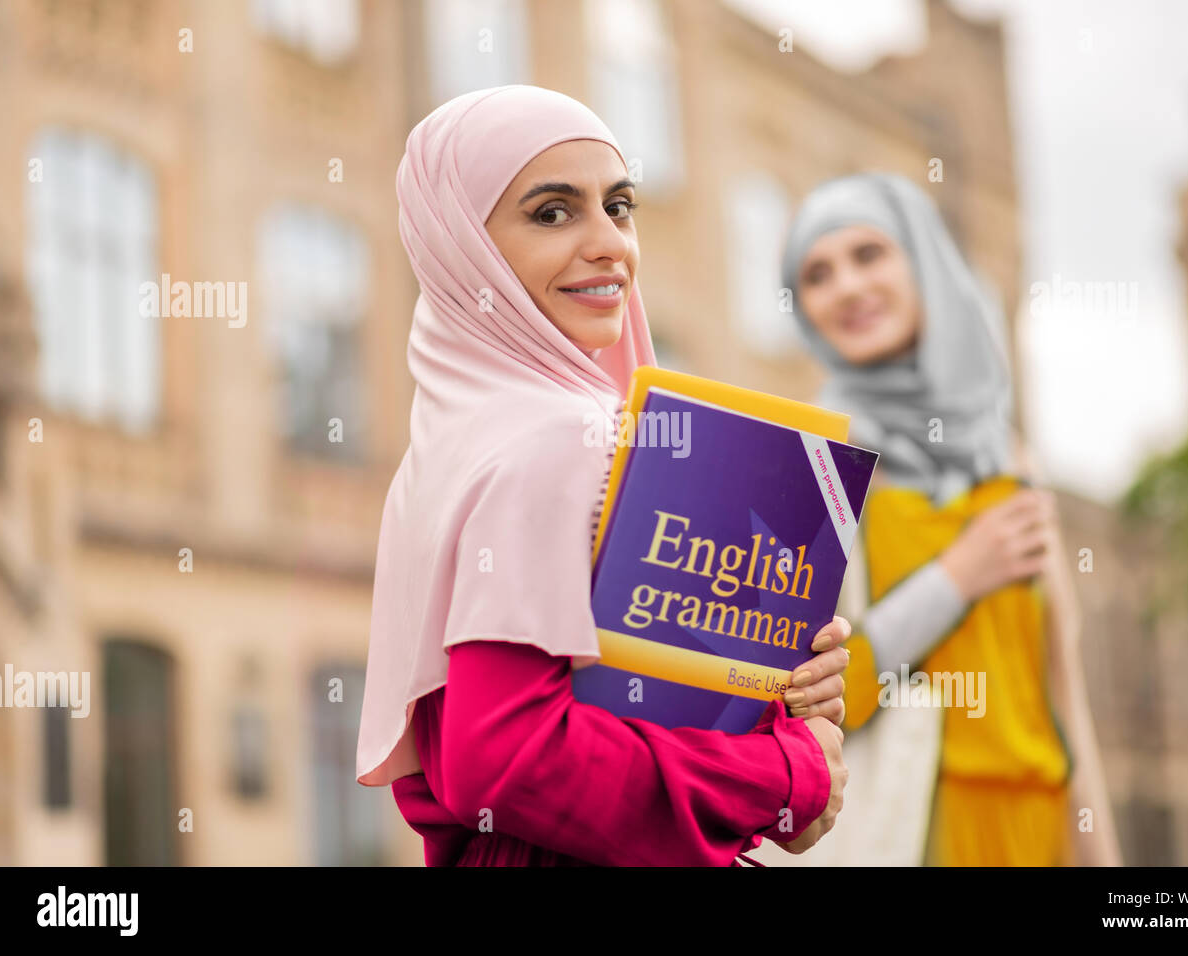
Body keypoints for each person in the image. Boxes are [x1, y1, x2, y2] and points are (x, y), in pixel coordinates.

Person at [354, 85, 853, 867]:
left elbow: (601, 706)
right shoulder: (558, 437)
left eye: (619, 207)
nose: (610, 245)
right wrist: (786, 769)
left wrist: (776, 697)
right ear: (463, 247)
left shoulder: (448, 448)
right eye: (552, 213)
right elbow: (507, 757)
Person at [751, 172, 1122, 867]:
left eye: (869, 254)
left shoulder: (1011, 460)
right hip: (913, 835)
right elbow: (804, 699)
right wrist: (956, 578)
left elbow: (1061, 694)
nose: (848, 287)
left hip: (1035, 831)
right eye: (818, 274)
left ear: (922, 260)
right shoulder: (815, 463)